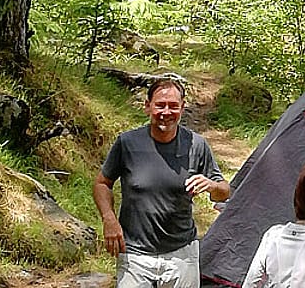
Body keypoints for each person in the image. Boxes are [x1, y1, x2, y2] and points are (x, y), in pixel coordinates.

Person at [94, 77, 232, 288]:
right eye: (160, 105)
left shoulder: (196, 145)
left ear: (182, 108)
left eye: (173, 106)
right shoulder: (128, 143)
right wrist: (109, 219)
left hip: (182, 254)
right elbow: (102, 183)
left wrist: (212, 185)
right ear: (147, 106)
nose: (166, 112)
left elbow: (224, 191)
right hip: (135, 255)